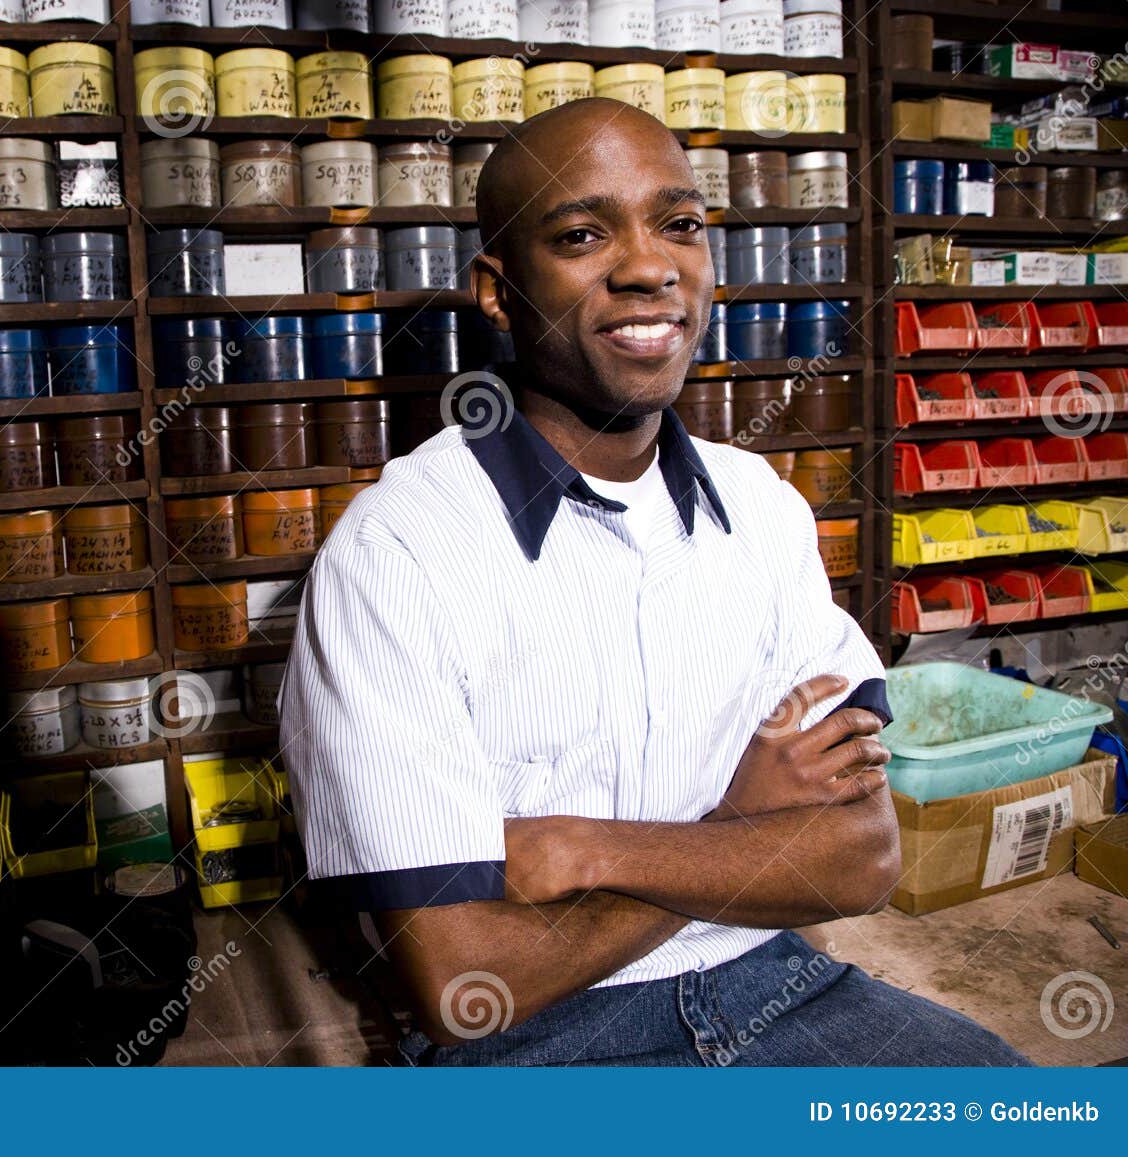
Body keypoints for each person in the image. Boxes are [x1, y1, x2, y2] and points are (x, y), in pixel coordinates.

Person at [276, 98, 1029, 1067]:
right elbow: (467, 981)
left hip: (778, 980)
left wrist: (585, 848)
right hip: (536, 1044)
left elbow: (863, 854)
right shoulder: (394, 558)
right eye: (582, 234)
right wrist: (732, 827)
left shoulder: (761, 508)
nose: (648, 266)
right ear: (499, 293)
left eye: (679, 224)